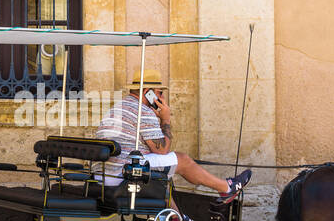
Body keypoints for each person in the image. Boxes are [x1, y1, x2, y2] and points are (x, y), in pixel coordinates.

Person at [96, 68, 251, 203]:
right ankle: (226, 188)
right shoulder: (143, 111)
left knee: (165, 170)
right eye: (159, 93)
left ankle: (177, 219)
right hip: (122, 173)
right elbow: (162, 150)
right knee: (182, 160)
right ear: (147, 93)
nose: (162, 98)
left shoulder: (119, 106)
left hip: (104, 174)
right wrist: (165, 118)